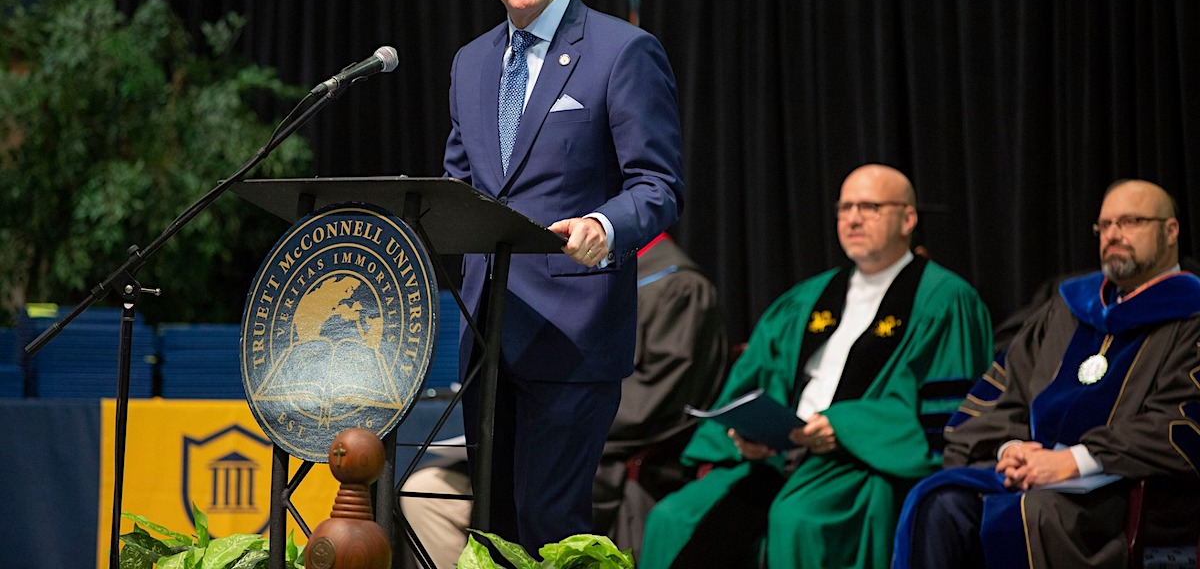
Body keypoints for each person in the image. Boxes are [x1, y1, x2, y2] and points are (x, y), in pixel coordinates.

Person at [442, 0, 685, 550]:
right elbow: (460, 186)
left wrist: (603, 227)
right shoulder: (471, 63)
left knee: (550, 528)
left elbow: (659, 185)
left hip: (573, 331)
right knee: (490, 531)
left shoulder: (621, 51)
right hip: (484, 336)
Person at [639, 164, 994, 569]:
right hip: (779, 456)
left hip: (862, 461)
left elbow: (947, 417)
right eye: (845, 208)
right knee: (671, 518)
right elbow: (758, 379)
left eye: (870, 207)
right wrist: (750, 433)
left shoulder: (945, 301)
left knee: (800, 521)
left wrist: (844, 428)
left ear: (908, 219)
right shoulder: (808, 299)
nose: (853, 218)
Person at [892, 179, 1200, 569]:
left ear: (1170, 231)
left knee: (1031, 515)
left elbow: (1183, 421)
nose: (1113, 235)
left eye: (1130, 222)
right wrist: (1010, 450)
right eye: (1104, 226)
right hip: (1031, 480)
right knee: (939, 503)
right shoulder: (1069, 307)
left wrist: (1076, 460)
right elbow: (1000, 393)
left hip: (1119, 495)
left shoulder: (1192, 315)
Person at [399, 233, 726, 567]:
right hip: (537, 435)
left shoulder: (679, 287)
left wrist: (548, 412)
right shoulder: (579, 271)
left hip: (606, 455)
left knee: (530, 499)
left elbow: (656, 404)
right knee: (425, 491)